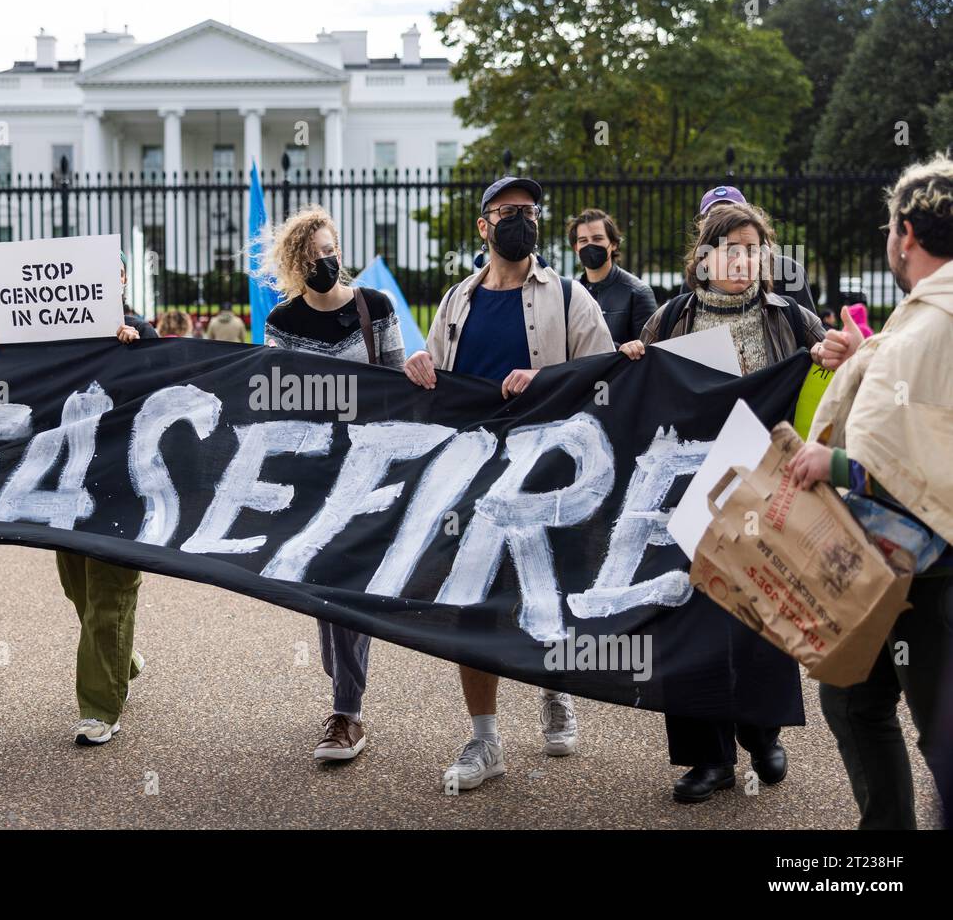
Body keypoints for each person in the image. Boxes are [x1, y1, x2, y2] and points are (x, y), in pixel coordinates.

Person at [404, 176, 615, 790]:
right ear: (483, 226)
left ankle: (554, 690)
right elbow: (436, 377)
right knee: (472, 602)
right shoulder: (455, 301)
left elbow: (604, 380)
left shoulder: (572, 298)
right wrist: (418, 364)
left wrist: (545, 380)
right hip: (473, 477)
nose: (519, 220)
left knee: (544, 590)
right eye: (506, 212)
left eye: (527, 211)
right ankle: (485, 737)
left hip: (547, 476)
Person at [787, 152, 953, 829]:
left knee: (940, 734)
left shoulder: (938, 318)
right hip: (888, 559)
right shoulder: (927, 312)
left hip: (931, 568)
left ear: (906, 234)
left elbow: (915, 452)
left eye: (891, 226)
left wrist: (838, 466)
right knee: (852, 698)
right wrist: (863, 355)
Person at [639, 201, 825, 802]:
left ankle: (761, 729)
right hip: (688, 495)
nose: (742, 259)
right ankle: (707, 757)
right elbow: (640, 392)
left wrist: (833, 359)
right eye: (730, 248)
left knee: (759, 612)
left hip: (763, 492)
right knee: (689, 619)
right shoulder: (670, 319)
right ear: (705, 256)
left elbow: (830, 386)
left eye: (752, 249)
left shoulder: (792, 320)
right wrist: (632, 361)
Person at [0, 252, 154, 745]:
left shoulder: (139, 331)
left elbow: (162, 386)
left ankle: (100, 707)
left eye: (113, 273)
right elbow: (15, 386)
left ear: (121, 279)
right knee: (76, 586)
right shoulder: (49, 339)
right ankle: (122, 655)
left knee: (110, 590)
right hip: (66, 486)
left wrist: (134, 347)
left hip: (121, 486)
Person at [262, 204, 406, 763]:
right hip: (313, 474)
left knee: (346, 584)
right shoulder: (284, 322)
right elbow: (274, 399)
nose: (327, 260)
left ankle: (346, 711)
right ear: (299, 263)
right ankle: (344, 690)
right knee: (323, 589)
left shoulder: (376, 307)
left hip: (368, 469)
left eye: (332, 249)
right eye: (315, 254)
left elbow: (396, 387)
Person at [699, 186, 817, 313]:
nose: (723, 221)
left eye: (731, 213)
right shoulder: (694, 283)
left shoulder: (789, 271)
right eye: (713, 216)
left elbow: (806, 326)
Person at [567, 208, 656, 347]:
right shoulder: (569, 293)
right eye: (583, 240)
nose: (590, 245)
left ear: (613, 244)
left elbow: (650, 351)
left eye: (597, 238)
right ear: (576, 248)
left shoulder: (638, 292)